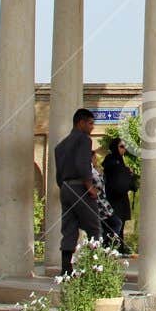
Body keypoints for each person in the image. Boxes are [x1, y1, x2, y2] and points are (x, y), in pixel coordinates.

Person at [53, 108, 101, 275]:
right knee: (94, 228)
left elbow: (58, 173)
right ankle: (95, 269)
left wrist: (65, 186)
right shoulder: (83, 140)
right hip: (79, 188)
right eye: (90, 123)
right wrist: (89, 187)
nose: (92, 127)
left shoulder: (61, 145)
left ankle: (66, 270)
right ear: (80, 122)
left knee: (69, 229)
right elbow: (82, 165)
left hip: (65, 188)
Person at [101, 138, 137, 254]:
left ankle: (119, 249)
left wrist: (128, 172)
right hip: (113, 199)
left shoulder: (120, 161)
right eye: (121, 146)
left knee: (120, 224)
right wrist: (126, 171)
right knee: (114, 224)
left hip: (121, 199)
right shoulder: (110, 160)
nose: (124, 149)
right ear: (115, 147)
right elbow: (115, 173)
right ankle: (111, 249)